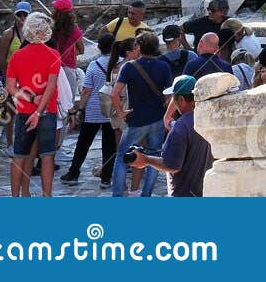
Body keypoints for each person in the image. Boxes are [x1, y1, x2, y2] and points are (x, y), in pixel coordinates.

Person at [5, 11, 65, 197]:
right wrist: (39, 111)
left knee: (20, 156)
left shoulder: (17, 56)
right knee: (47, 155)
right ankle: (47, 196)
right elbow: (51, 86)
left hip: (24, 110)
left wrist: (31, 100)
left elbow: (11, 88)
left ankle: (17, 197)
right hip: (47, 111)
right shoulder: (53, 54)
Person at [128, 74, 214, 197]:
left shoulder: (181, 127)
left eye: (174, 98)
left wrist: (145, 159)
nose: (171, 101)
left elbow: (172, 166)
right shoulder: (208, 119)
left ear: (181, 100)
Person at [109, 31, 171, 197]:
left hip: (136, 119)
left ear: (138, 46)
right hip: (157, 118)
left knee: (122, 156)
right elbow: (168, 96)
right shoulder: (164, 66)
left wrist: (121, 112)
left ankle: (117, 195)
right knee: (154, 156)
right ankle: (146, 195)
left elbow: (114, 94)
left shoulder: (129, 67)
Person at [63, 33, 122, 186]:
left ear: (98, 47)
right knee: (109, 145)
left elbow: (86, 90)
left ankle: (74, 173)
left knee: (83, 143)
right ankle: (106, 178)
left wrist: (80, 108)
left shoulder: (94, 65)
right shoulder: (121, 64)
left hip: (94, 109)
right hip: (112, 110)